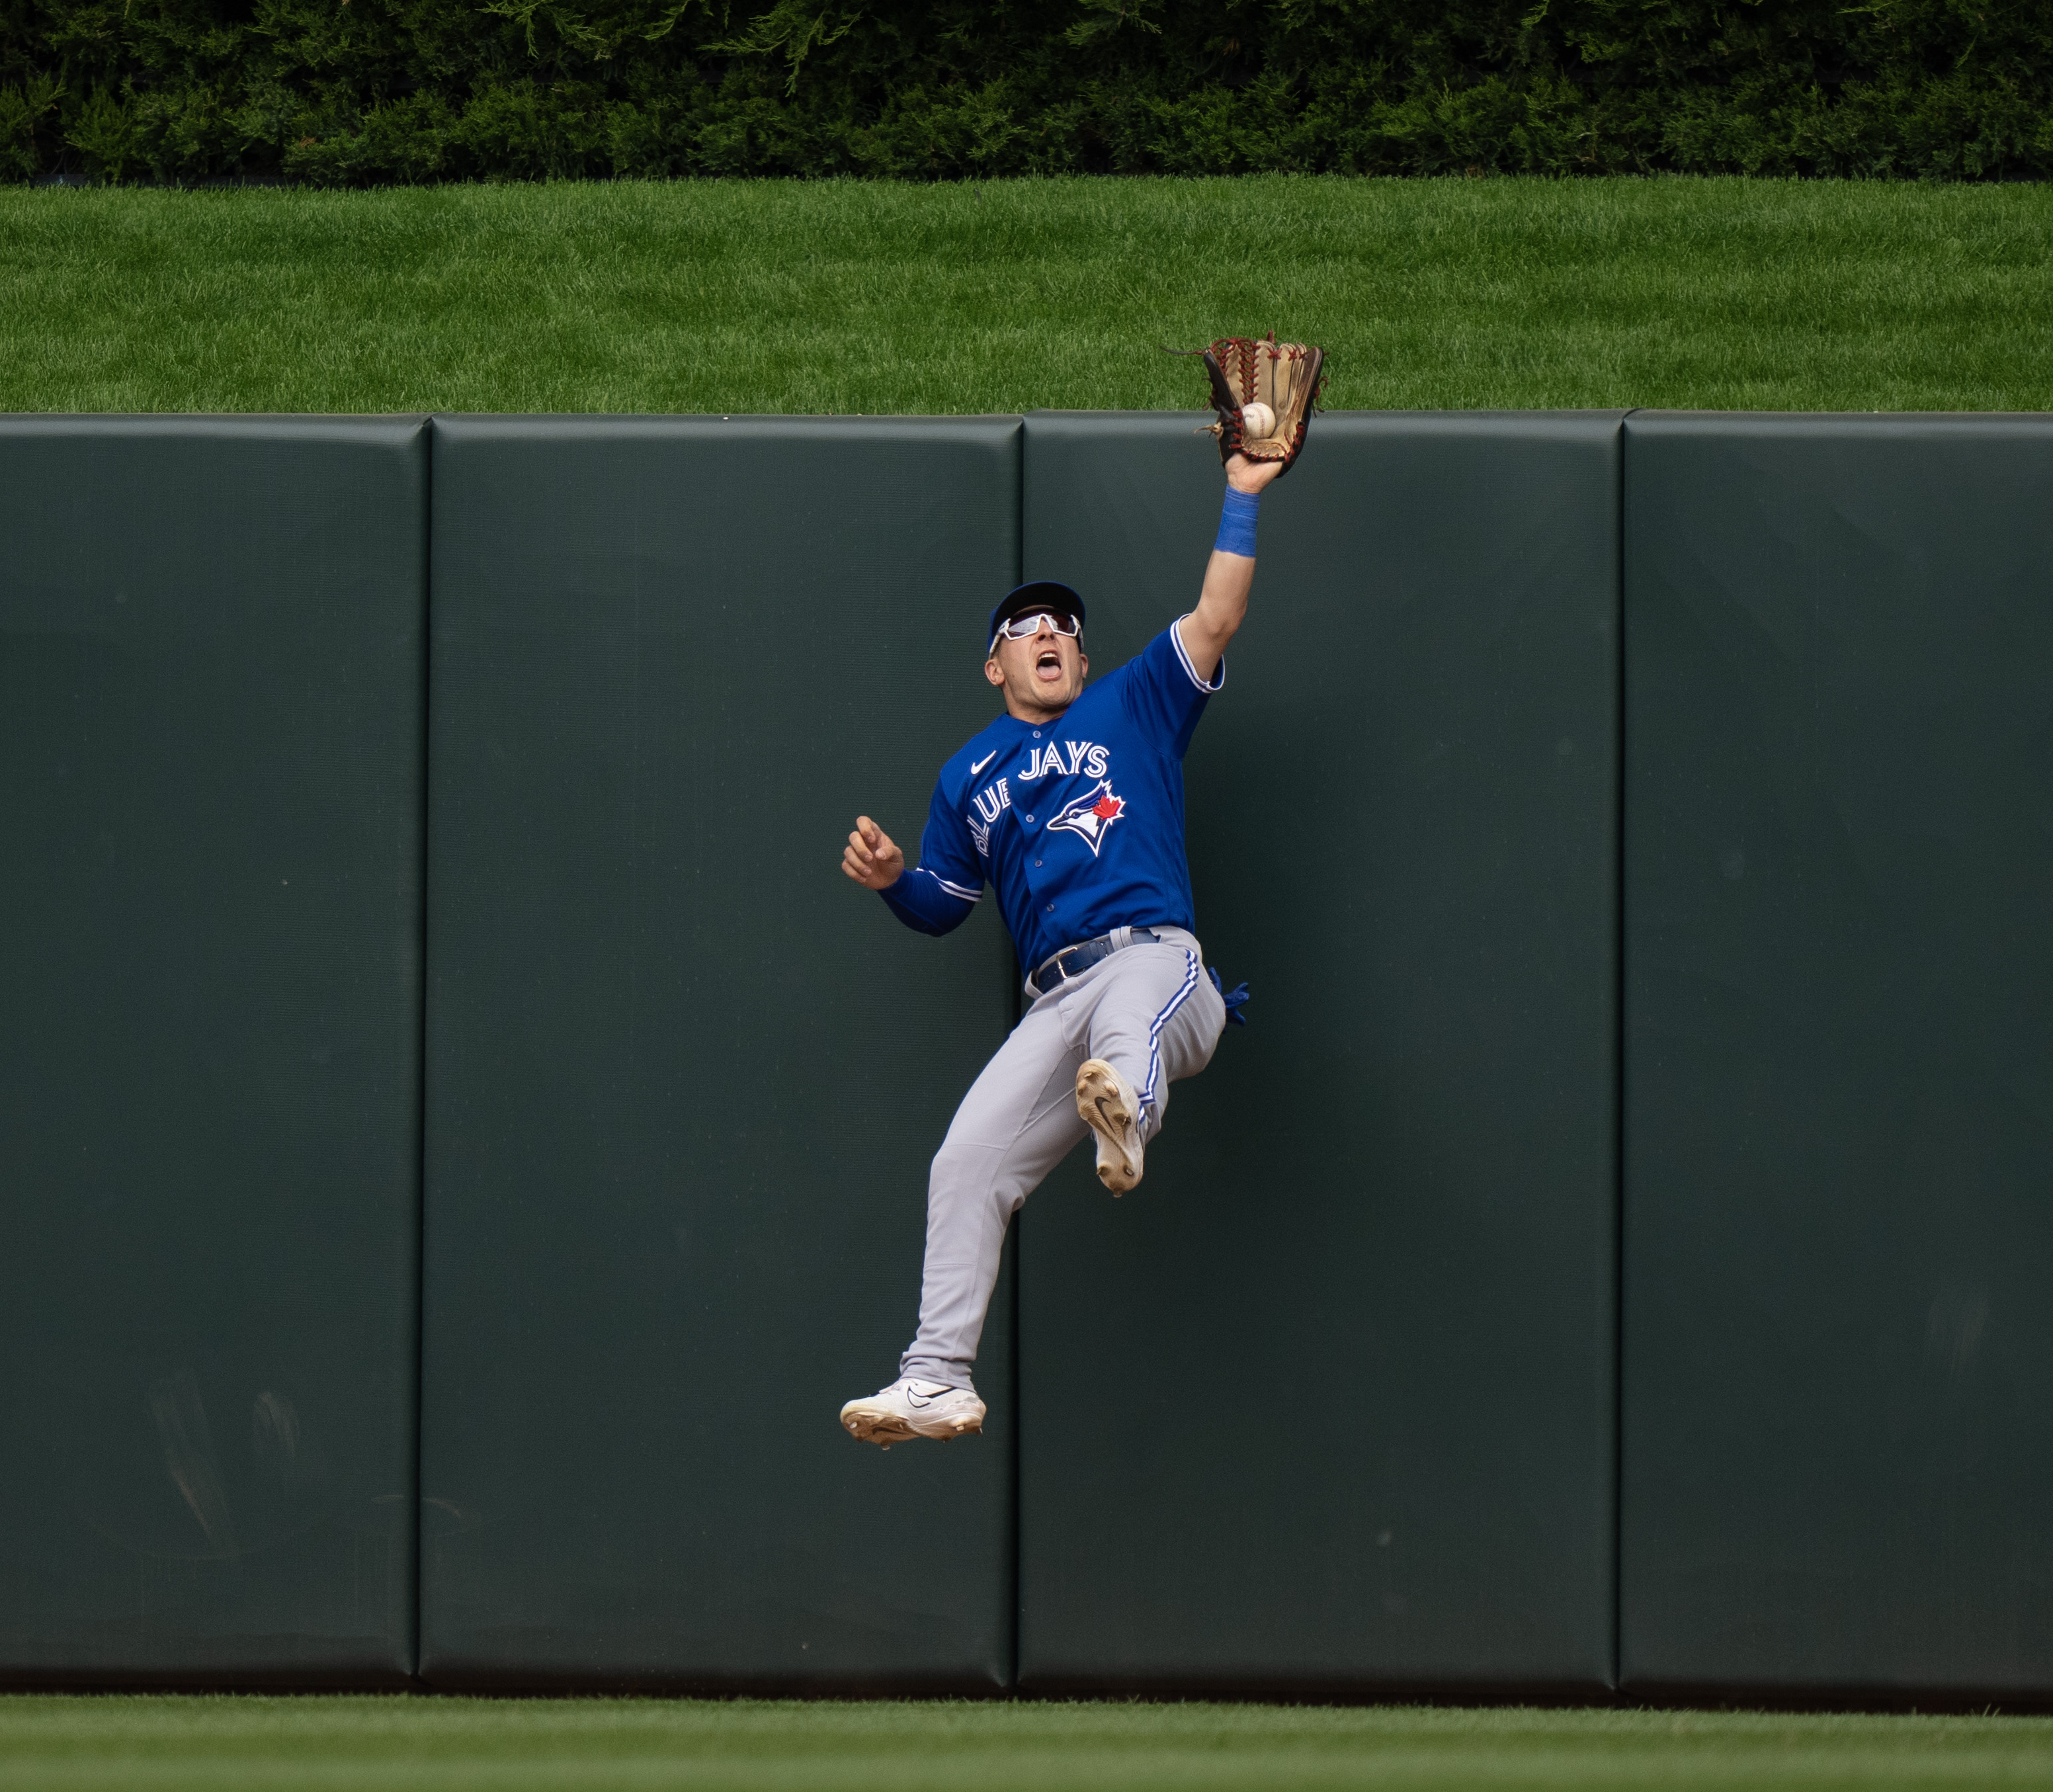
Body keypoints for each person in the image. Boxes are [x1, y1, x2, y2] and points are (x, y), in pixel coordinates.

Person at [835, 449, 1284, 1446]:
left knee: (1129, 1021)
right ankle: (936, 1376)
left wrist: (1242, 496)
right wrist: (889, 884)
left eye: (1063, 630)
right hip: (1053, 1001)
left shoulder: (1135, 701)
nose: (1049, 635)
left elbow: (1216, 615)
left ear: (1081, 659)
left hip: (1160, 962)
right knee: (966, 1160)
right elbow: (943, 905)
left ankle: (1128, 1110)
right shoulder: (968, 775)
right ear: (996, 665)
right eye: (1025, 630)